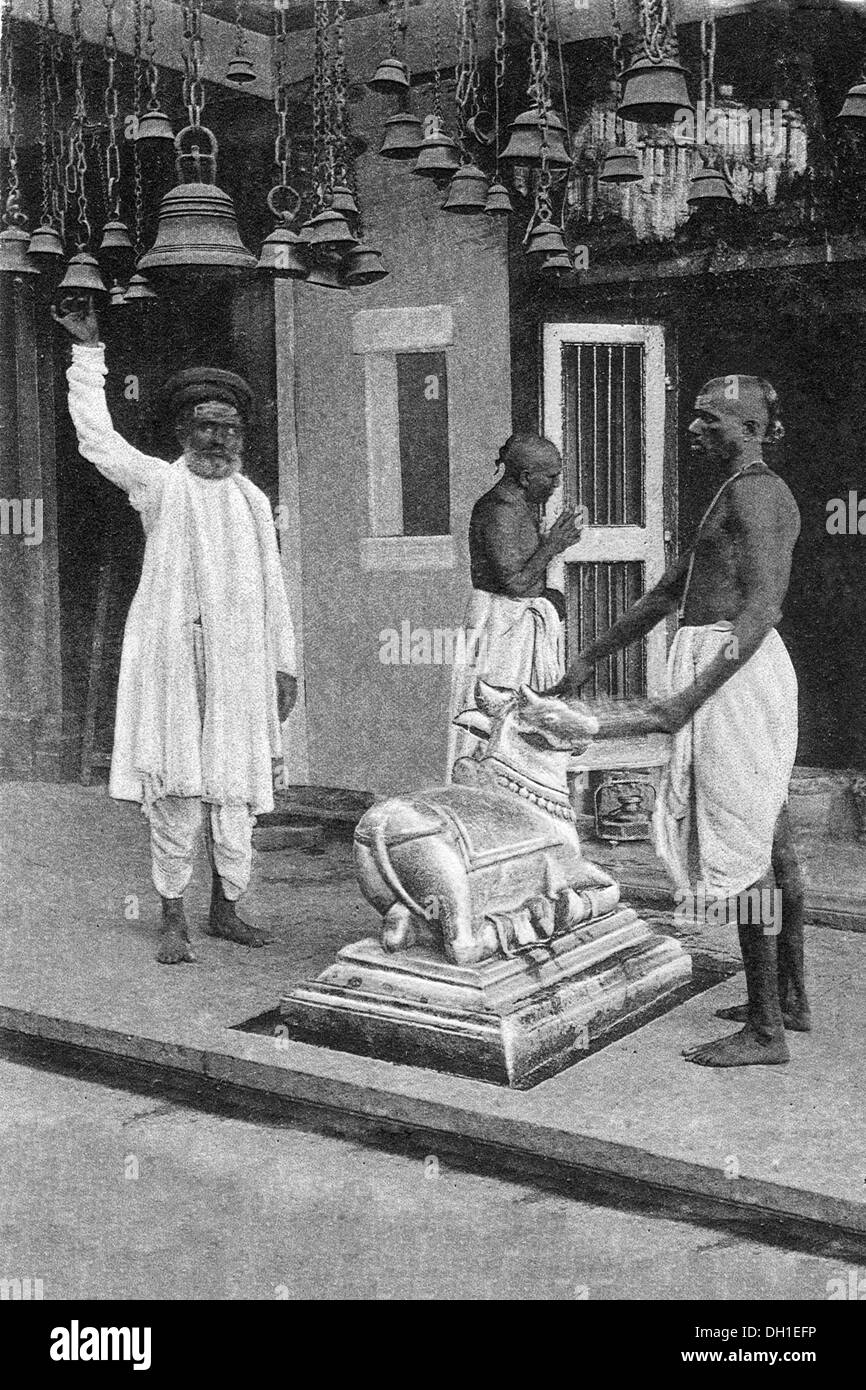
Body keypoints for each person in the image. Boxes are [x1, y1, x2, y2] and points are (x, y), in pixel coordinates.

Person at [549, 376, 809, 1067]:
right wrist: (590, 659)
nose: (692, 429)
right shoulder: (731, 491)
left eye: (709, 420)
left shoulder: (757, 494)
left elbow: (760, 612)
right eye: (692, 417)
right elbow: (668, 592)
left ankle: (765, 1030)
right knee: (771, 836)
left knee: (742, 848)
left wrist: (688, 699)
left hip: (735, 674)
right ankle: (790, 999)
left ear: (752, 426)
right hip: (724, 669)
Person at [54, 297, 297, 965]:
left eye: (230, 429)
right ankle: (172, 918)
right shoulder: (159, 485)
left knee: (237, 793)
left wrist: (284, 664)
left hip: (241, 669)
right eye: (206, 426)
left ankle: (227, 909)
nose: (218, 439)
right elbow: (96, 440)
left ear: (241, 438)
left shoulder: (252, 502)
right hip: (175, 664)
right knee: (178, 790)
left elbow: (274, 590)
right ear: (186, 432)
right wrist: (88, 354)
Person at [446, 432, 583, 778]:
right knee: (498, 721)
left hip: (515, 627)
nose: (555, 485)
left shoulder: (520, 507)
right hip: (501, 630)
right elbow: (515, 583)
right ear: (524, 478)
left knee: (526, 724)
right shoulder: (498, 511)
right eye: (550, 477)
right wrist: (553, 545)